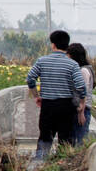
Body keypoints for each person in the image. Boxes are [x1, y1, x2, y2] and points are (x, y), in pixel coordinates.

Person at [26, 29, 87, 159]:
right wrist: (81, 103)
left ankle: (40, 165)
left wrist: (36, 96)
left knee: (45, 137)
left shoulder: (42, 61)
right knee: (65, 140)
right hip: (66, 106)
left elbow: (30, 78)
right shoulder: (72, 64)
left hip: (47, 105)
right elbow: (81, 86)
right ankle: (63, 166)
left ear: (53, 45)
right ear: (67, 45)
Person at [67, 43, 95, 144]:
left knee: (80, 141)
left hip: (81, 109)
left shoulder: (83, 71)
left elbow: (83, 92)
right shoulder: (85, 69)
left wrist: (81, 112)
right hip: (80, 108)